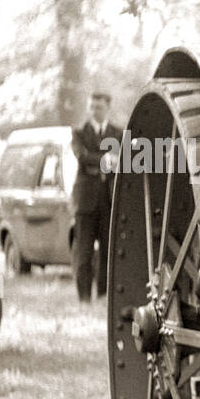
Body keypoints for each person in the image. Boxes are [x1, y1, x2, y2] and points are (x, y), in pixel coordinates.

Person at [70, 92, 122, 302]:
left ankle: (103, 295)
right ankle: (84, 296)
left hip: (109, 199)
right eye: (91, 107)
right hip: (86, 200)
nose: (93, 111)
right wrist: (107, 160)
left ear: (107, 108)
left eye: (98, 107)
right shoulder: (79, 132)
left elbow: (124, 160)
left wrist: (104, 161)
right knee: (84, 250)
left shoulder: (118, 133)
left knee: (109, 250)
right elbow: (82, 157)